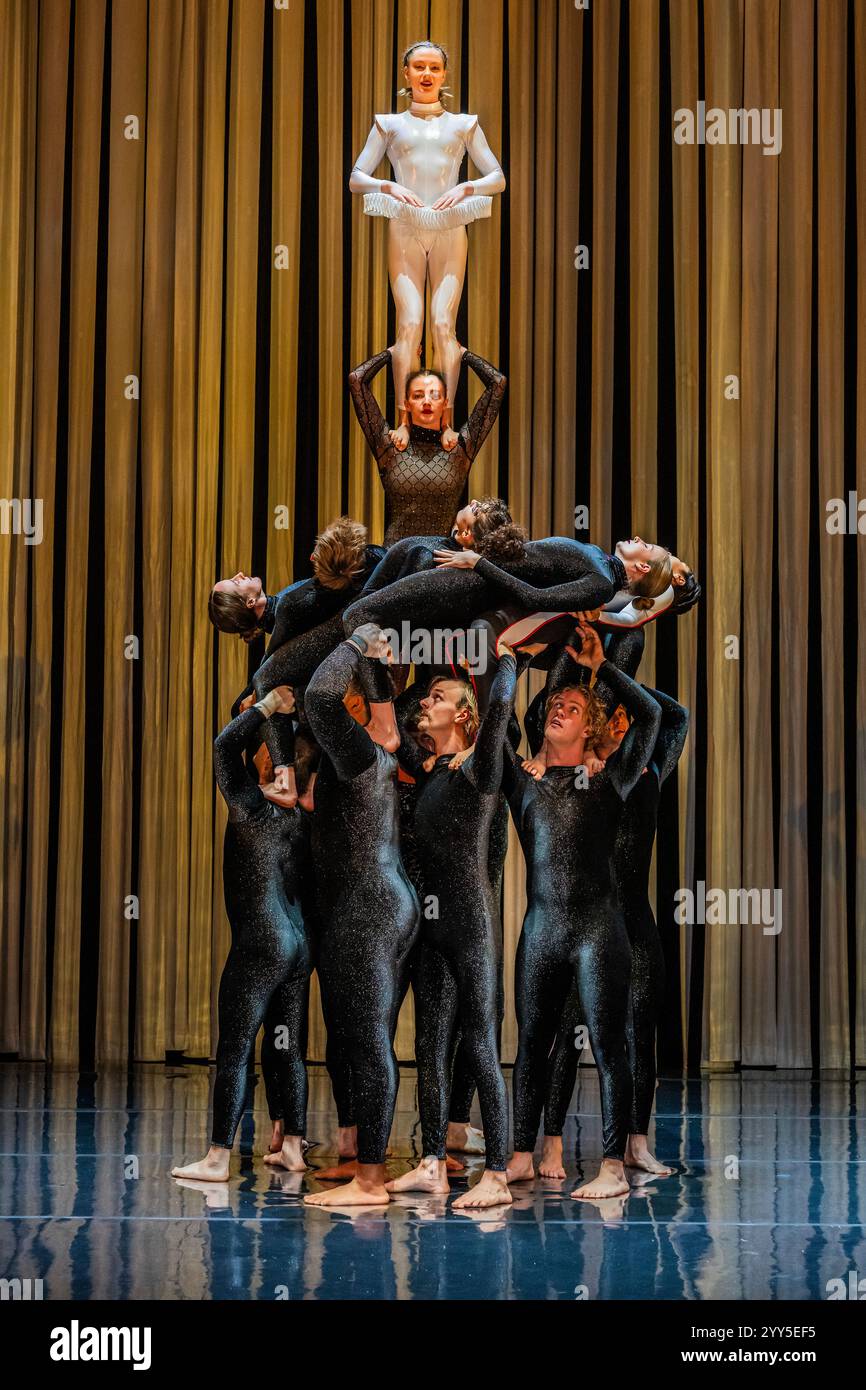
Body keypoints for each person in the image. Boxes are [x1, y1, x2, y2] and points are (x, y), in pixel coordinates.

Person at [502, 622, 661, 1200]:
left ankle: (613, 1167)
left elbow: (651, 718)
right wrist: (509, 662)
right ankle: (521, 1153)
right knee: (532, 1045)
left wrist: (602, 668)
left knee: (609, 1043)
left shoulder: (611, 780)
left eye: (572, 705)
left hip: (599, 930)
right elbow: (497, 731)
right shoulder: (524, 783)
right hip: (542, 929)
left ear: (590, 726)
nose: (559, 709)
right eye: (555, 704)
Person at [538, 687, 690, 1179]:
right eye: (615, 716)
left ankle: (635, 1143)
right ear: (598, 725)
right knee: (567, 1036)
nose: (625, 724)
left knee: (637, 1035)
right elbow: (546, 703)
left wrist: (619, 671)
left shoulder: (647, 769)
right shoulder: (580, 772)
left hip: (636, 921)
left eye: (629, 716)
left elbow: (676, 716)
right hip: (588, 922)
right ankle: (553, 1147)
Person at [387, 652, 518, 1208]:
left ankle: (497, 1176)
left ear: (465, 717)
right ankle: (433, 1164)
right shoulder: (432, 772)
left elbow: (502, 708)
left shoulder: (479, 769)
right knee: (429, 1046)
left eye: (438, 698)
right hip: (434, 929)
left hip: (471, 926)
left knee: (480, 1047)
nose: (426, 702)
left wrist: (500, 665)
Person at [170, 685, 312, 1182]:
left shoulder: (249, 803)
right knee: (285, 1045)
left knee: (233, 1051)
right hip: (298, 947)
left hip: (260, 944)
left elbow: (221, 747)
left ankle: (216, 1157)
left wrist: (266, 705)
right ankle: (293, 1144)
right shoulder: (300, 813)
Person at [302, 626, 420, 1207]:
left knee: (370, 1038)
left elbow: (319, 698)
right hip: (373, 901)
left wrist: (354, 640)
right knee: (357, 1033)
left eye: (365, 704)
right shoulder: (372, 749)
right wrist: (371, 656)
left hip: (372, 904)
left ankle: (371, 1181)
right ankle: (360, 1165)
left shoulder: (358, 752)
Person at [350, 41, 505, 448]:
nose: (426, 75)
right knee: (410, 323)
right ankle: (403, 421)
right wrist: (389, 185)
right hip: (405, 227)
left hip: (449, 227)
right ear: (406, 74)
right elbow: (356, 177)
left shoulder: (463, 124)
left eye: (434, 68)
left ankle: (446, 421)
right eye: (418, 67)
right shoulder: (389, 124)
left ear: (444, 75)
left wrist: (467, 186)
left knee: (442, 324)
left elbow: (498, 177)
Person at [348, 345, 506, 544]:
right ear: (406, 404)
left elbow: (498, 383)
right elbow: (356, 379)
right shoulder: (389, 447)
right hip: (395, 565)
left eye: (435, 395)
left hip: (440, 565)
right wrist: (392, 352)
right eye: (418, 395)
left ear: (445, 402)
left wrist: (463, 354)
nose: (427, 401)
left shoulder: (460, 449)